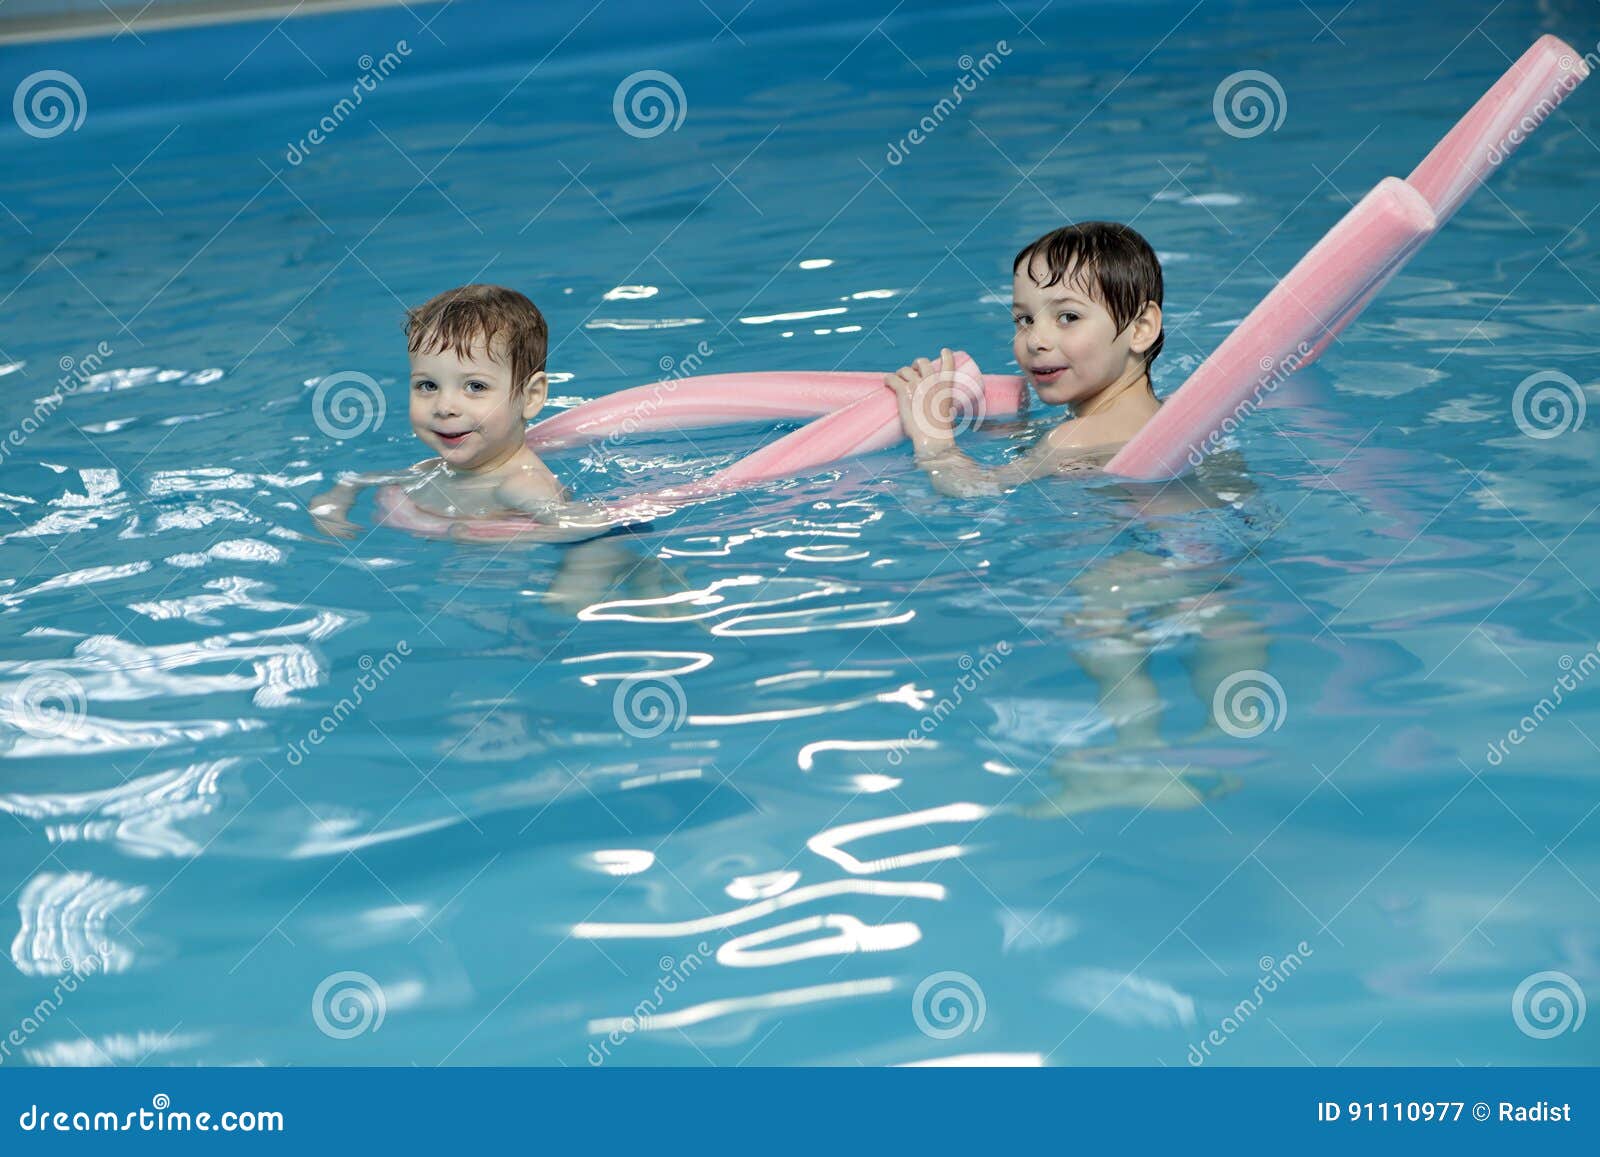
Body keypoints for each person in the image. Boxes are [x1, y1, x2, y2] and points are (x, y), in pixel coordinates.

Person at [309, 284, 639, 543]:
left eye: (475, 387)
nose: (444, 407)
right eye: (427, 386)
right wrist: (336, 499)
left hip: (551, 566)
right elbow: (364, 479)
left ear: (530, 397)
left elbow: (590, 527)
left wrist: (494, 538)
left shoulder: (521, 485)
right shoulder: (432, 469)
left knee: (569, 596)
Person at [885, 220, 1164, 495]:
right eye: (1025, 319)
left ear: (1140, 329)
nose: (1034, 340)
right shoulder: (1165, 412)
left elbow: (972, 489)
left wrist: (933, 440)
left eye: (1068, 317)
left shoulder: (1070, 441)